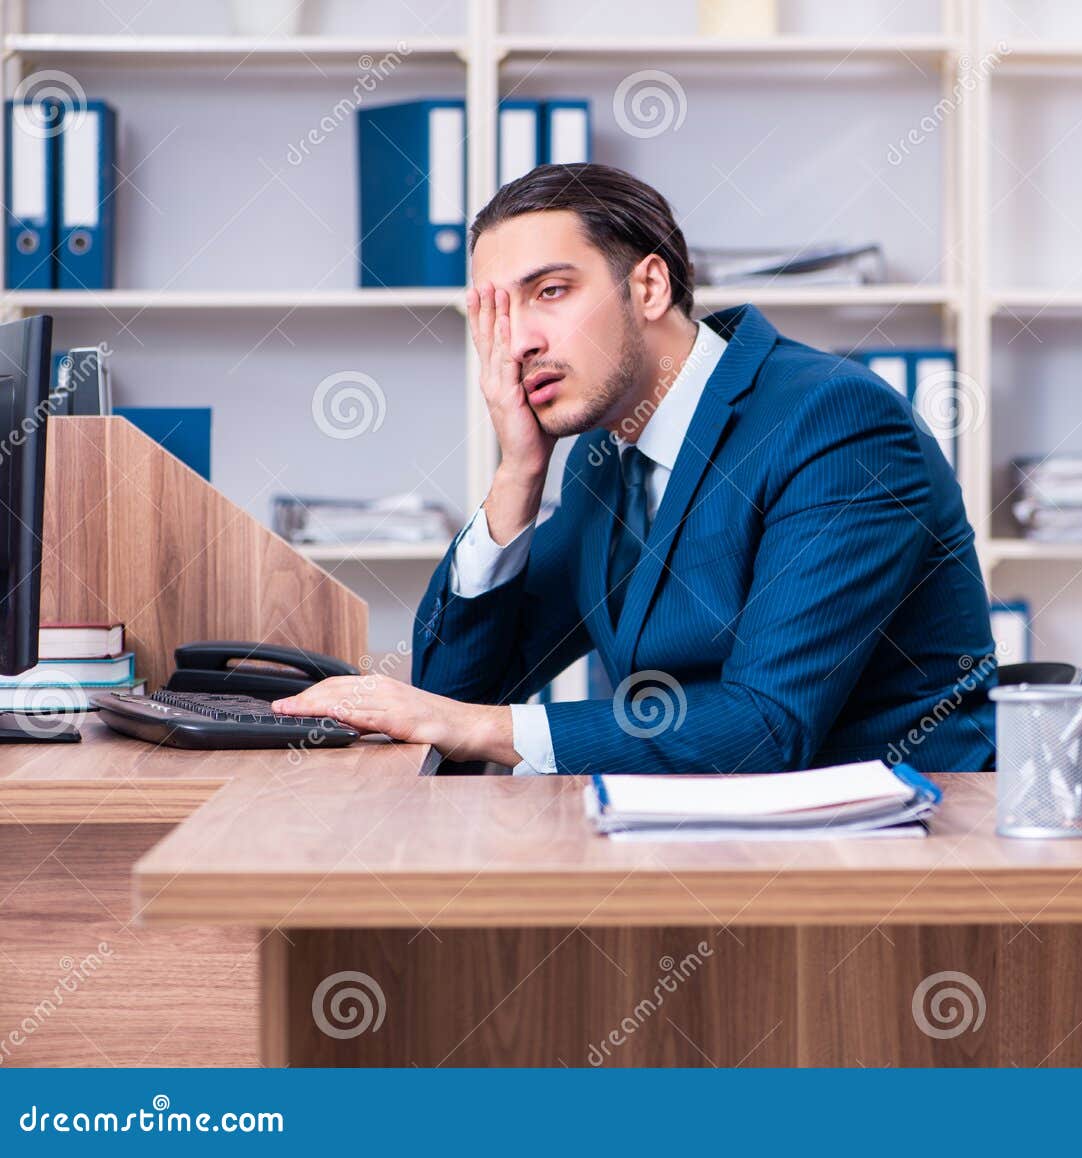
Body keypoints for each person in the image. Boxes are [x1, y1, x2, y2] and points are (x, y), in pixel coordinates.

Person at [274, 163, 996, 774]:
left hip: (891, 861)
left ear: (648, 288)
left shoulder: (832, 422)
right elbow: (456, 689)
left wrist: (488, 729)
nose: (518, 340)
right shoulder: (604, 456)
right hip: (702, 842)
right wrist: (517, 476)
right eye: (497, 313)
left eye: (550, 292)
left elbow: (768, 726)